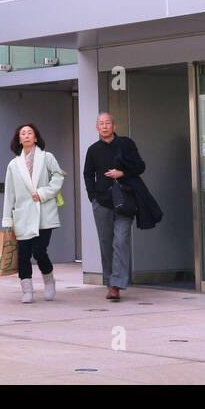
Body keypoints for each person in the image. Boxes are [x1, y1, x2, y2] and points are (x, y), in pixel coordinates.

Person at [1, 123, 66, 303]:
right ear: (19, 140)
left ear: (36, 138)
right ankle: (27, 290)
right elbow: (10, 194)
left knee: (39, 251)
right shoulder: (13, 165)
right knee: (23, 254)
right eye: (23, 133)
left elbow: (58, 176)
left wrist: (44, 193)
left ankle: (49, 281)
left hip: (44, 213)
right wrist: (7, 220)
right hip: (22, 215)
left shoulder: (47, 157)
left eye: (30, 133)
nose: (27, 135)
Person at [83, 112, 145, 301]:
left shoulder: (126, 144)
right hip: (102, 203)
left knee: (120, 241)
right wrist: (92, 197)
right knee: (105, 243)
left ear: (114, 126)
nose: (104, 126)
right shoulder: (93, 149)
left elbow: (140, 167)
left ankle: (116, 284)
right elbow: (88, 174)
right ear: (97, 128)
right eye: (101, 123)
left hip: (125, 202)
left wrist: (122, 172)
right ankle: (110, 281)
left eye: (107, 123)